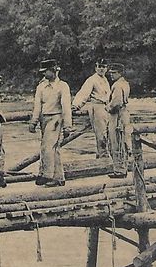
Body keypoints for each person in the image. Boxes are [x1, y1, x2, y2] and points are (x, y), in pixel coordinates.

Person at [28, 59, 74, 187]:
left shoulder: (62, 86)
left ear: (54, 71)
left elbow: (66, 107)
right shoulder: (41, 86)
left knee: (49, 147)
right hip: (44, 119)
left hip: (56, 118)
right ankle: (57, 176)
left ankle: (48, 175)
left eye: (46, 72)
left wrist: (67, 126)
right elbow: (37, 105)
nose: (44, 75)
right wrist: (34, 121)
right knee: (50, 148)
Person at [73, 59, 112, 160]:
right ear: (96, 68)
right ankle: (102, 156)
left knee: (108, 132)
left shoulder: (105, 79)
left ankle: (104, 155)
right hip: (97, 107)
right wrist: (76, 105)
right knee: (101, 133)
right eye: (99, 67)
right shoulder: (92, 80)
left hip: (106, 107)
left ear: (107, 68)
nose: (101, 69)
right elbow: (84, 93)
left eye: (104, 67)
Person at [106, 62, 131, 178]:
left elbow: (116, 103)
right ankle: (122, 168)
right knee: (122, 141)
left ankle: (119, 170)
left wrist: (108, 107)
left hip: (117, 116)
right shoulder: (125, 84)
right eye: (111, 73)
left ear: (120, 73)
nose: (111, 75)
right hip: (124, 114)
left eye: (114, 73)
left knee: (116, 142)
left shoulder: (117, 85)